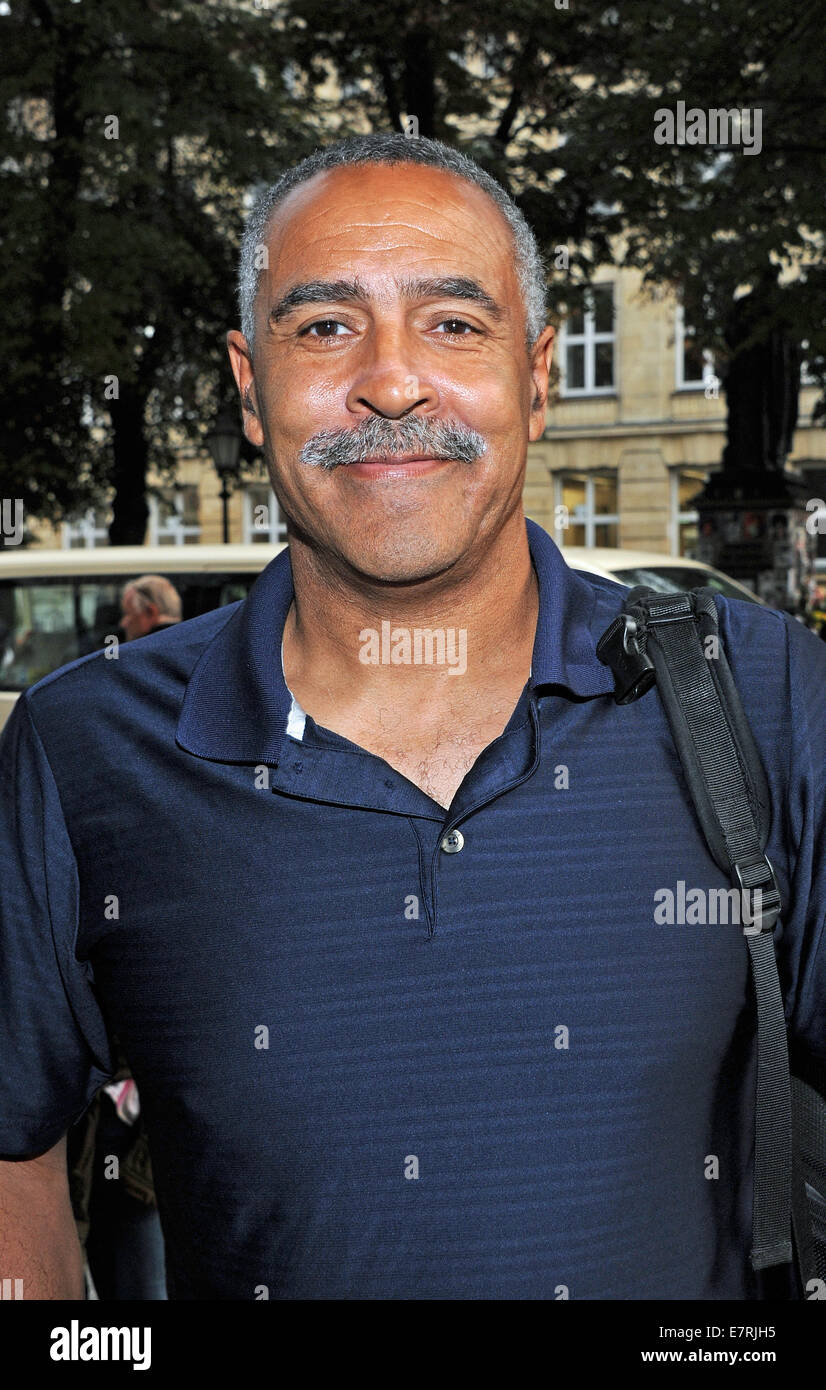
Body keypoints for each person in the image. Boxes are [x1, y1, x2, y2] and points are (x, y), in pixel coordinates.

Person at [1, 132, 825, 1301]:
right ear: (248, 386)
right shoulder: (83, 748)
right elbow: (12, 1152)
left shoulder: (768, 695)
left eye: (452, 321)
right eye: (325, 325)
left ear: (537, 376)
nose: (391, 382)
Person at [119, 575, 182, 642]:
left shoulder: (144, 650)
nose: (123, 624)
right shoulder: (189, 644)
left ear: (151, 612)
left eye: (127, 614)